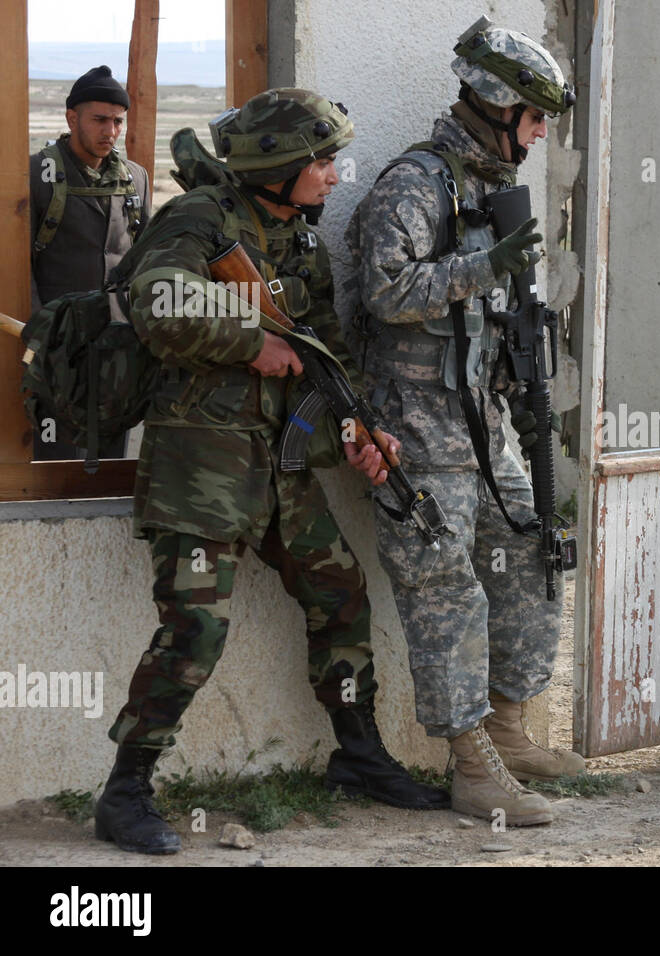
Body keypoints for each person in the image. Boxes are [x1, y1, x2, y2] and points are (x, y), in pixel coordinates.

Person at [95, 88, 447, 856]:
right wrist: (247, 341)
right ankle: (124, 792)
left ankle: (356, 756)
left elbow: (324, 350)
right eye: (319, 161)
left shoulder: (301, 242)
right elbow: (153, 300)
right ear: (277, 167)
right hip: (202, 462)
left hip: (279, 460)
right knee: (196, 626)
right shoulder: (200, 221)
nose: (332, 172)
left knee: (341, 593)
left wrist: (360, 428)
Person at [347, 17, 581, 826]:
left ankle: (510, 730)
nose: (543, 131)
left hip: (484, 431)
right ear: (495, 103)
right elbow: (384, 291)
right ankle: (472, 767)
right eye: (535, 115)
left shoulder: (493, 192)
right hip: (415, 431)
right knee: (448, 594)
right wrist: (484, 266)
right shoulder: (414, 184)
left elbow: (498, 324)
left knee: (533, 550)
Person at [30, 65, 150, 460]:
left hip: (117, 346)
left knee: (110, 459)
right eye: (100, 120)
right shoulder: (36, 175)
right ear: (71, 117)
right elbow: (16, 262)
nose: (110, 131)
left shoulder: (136, 178)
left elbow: (145, 259)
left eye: (117, 121)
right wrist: (35, 334)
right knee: (52, 461)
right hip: (56, 344)